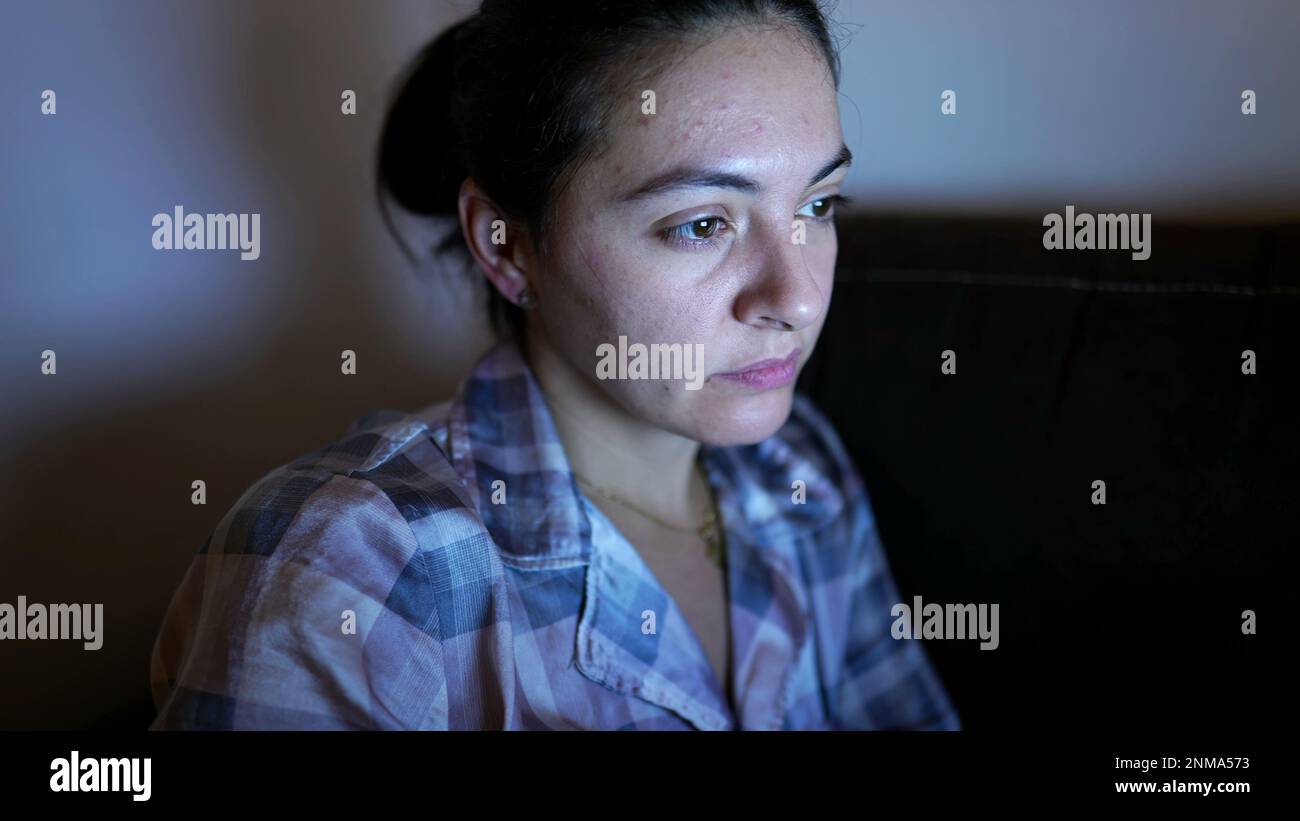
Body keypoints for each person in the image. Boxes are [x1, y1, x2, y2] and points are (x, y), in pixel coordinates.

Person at [149, 0, 960, 730]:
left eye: (818, 205)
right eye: (701, 225)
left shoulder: (802, 474)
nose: (799, 298)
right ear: (508, 247)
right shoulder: (353, 568)